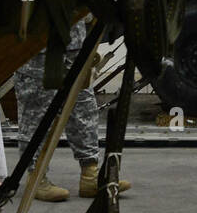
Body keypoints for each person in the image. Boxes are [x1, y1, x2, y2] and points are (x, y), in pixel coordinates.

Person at [14, 17, 130, 202]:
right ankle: (36, 178)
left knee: (83, 108)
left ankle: (90, 176)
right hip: (38, 43)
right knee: (37, 112)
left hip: (75, 40)